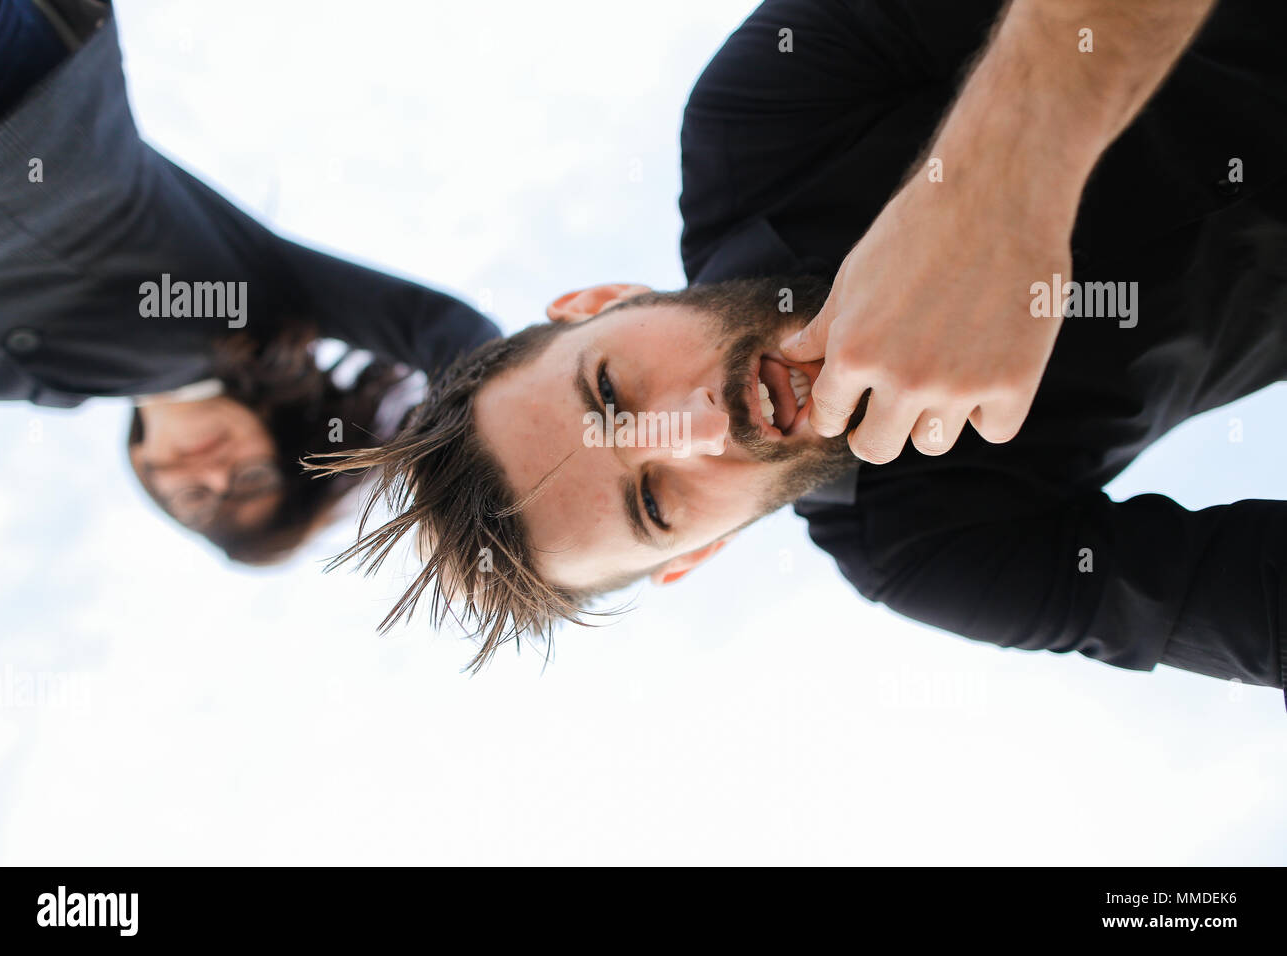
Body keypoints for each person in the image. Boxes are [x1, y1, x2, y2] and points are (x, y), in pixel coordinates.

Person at [316, 0, 1287, 703]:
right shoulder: (925, 550)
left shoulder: (765, 114)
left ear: (601, 301)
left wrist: (1000, 187)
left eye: (612, 391)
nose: (700, 426)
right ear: (693, 556)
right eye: (656, 498)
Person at [0, 0, 498, 559]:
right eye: (249, 480)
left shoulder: (48, 386)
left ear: (149, 476)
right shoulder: (264, 305)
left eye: (197, 501)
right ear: (279, 442)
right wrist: (474, 486)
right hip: (20, 87)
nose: (211, 475)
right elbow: (448, 331)